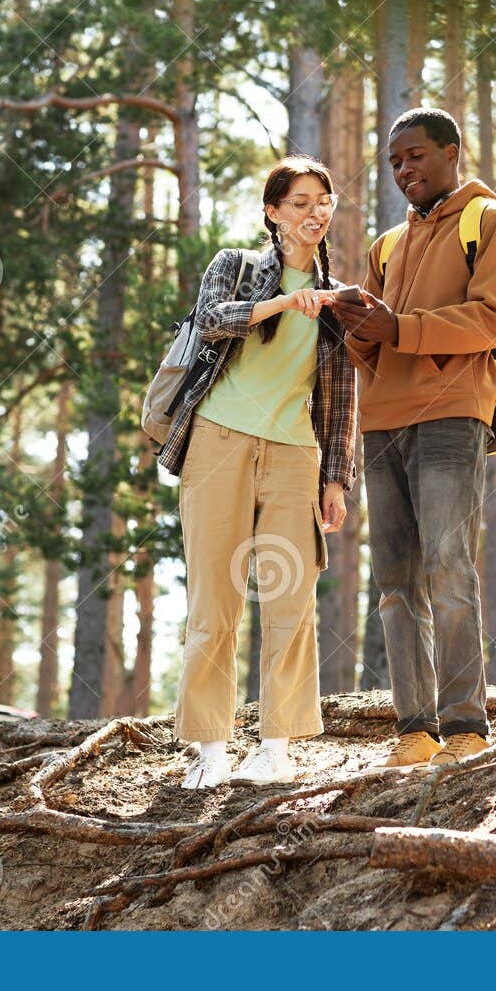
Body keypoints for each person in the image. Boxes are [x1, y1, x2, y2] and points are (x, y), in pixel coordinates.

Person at [332, 107, 496, 772]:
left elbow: (492, 319)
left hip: (452, 413)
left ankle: (467, 726)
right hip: (382, 421)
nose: (403, 170)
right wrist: (355, 327)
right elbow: (371, 344)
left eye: (414, 155)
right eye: (394, 162)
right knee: (394, 581)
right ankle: (415, 730)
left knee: (448, 566)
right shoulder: (386, 246)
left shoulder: (490, 221)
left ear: (451, 151)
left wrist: (399, 329)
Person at [158, 156, 357, 788]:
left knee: (291, 599)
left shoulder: (336, 298)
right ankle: (210, 750)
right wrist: (282, 303)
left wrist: (336, 477)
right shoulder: (236, 266)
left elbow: (339, 395)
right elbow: (212, 320)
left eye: (323, 202)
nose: (314, 213)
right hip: (218, 442)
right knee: (214, 599)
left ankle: (276, 747)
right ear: (273, 212)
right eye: (299, 202)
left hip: (295, 454)